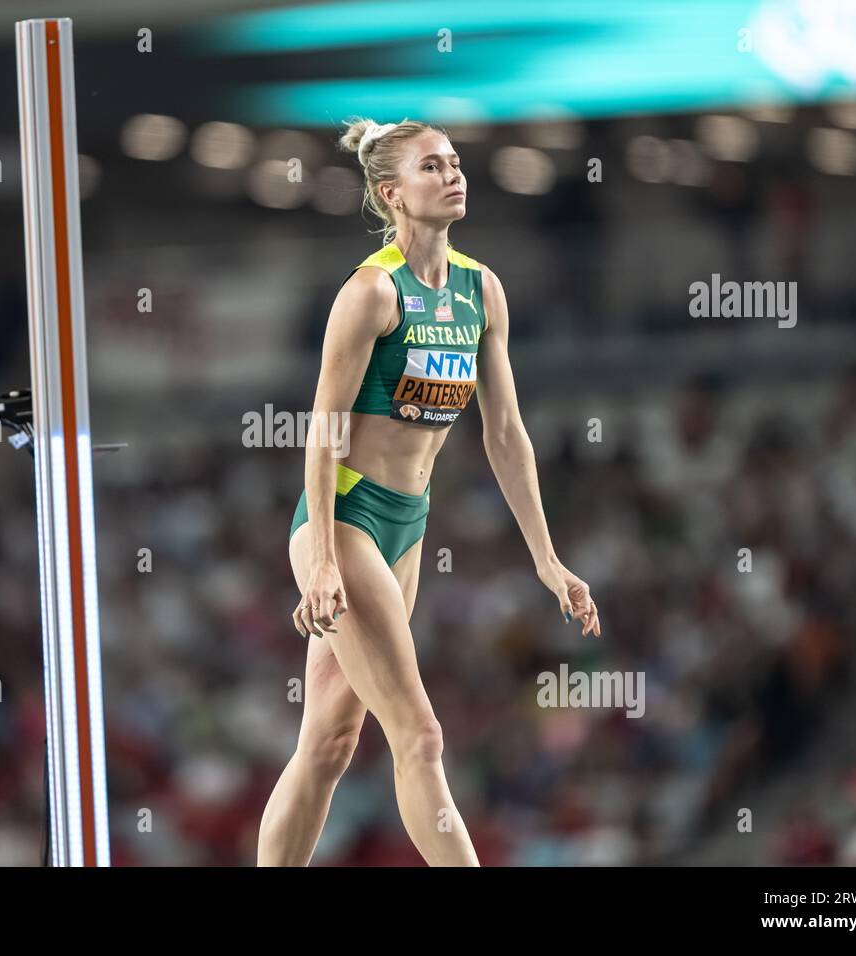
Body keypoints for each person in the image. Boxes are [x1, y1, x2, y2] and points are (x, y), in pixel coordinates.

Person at [257, 117, 601, 867]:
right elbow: (323, 431)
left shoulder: (484, 290)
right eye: (431, 167)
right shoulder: (371, 294)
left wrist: (547, 558)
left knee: (328, 744)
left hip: (407, 527)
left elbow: (505, 434)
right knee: (421, 735)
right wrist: (320, 559)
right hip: (343, 521)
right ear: (392, 194)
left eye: (455, 162)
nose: (453, 175)